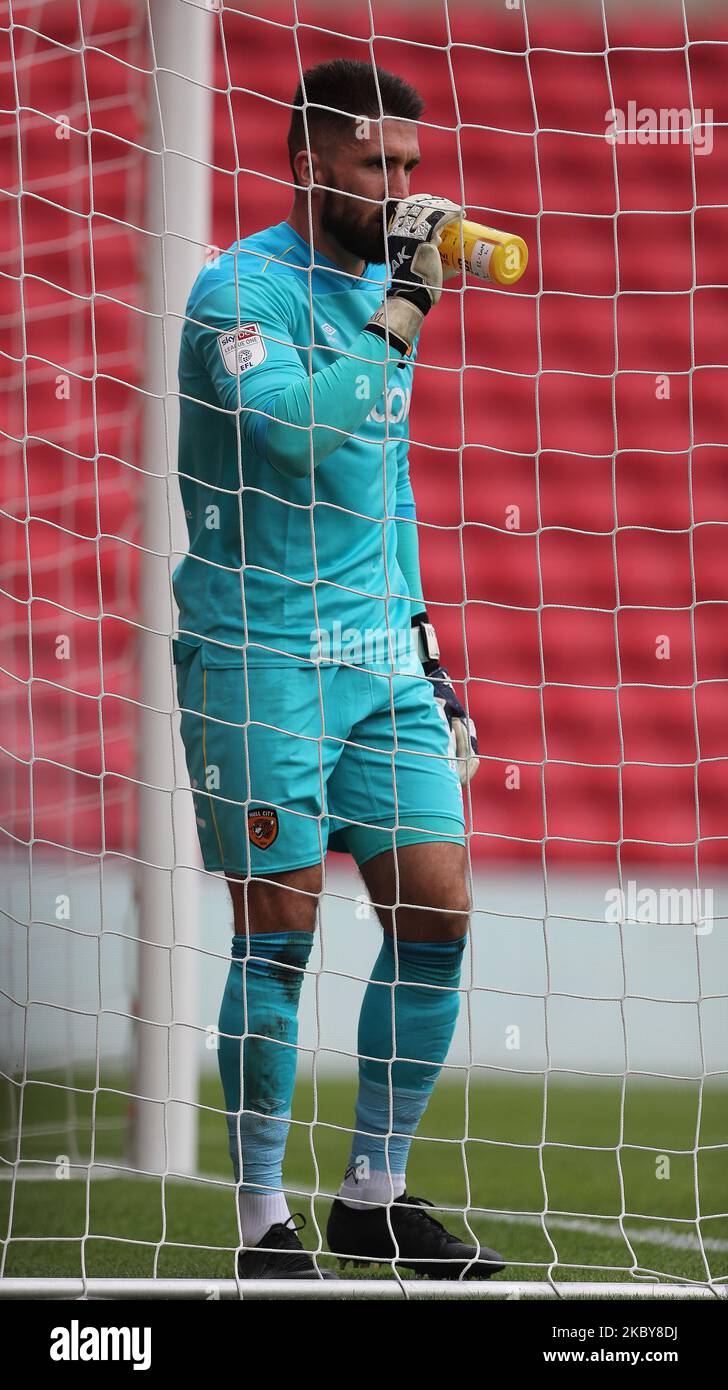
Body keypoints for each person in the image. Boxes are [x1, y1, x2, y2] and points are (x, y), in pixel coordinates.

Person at [173, 56, 504, 1282]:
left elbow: (385, 485)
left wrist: (428, 648)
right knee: (278, 932)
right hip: (258, 656)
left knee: (437, 908)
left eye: (412, 166)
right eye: (377, 166)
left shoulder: (382, 294)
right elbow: (298, 436)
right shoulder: (238, 291)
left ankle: (373, 1192)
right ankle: (263, 1219)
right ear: (307, 163)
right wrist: (401, 312)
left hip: (381, 661)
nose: (402, 190)